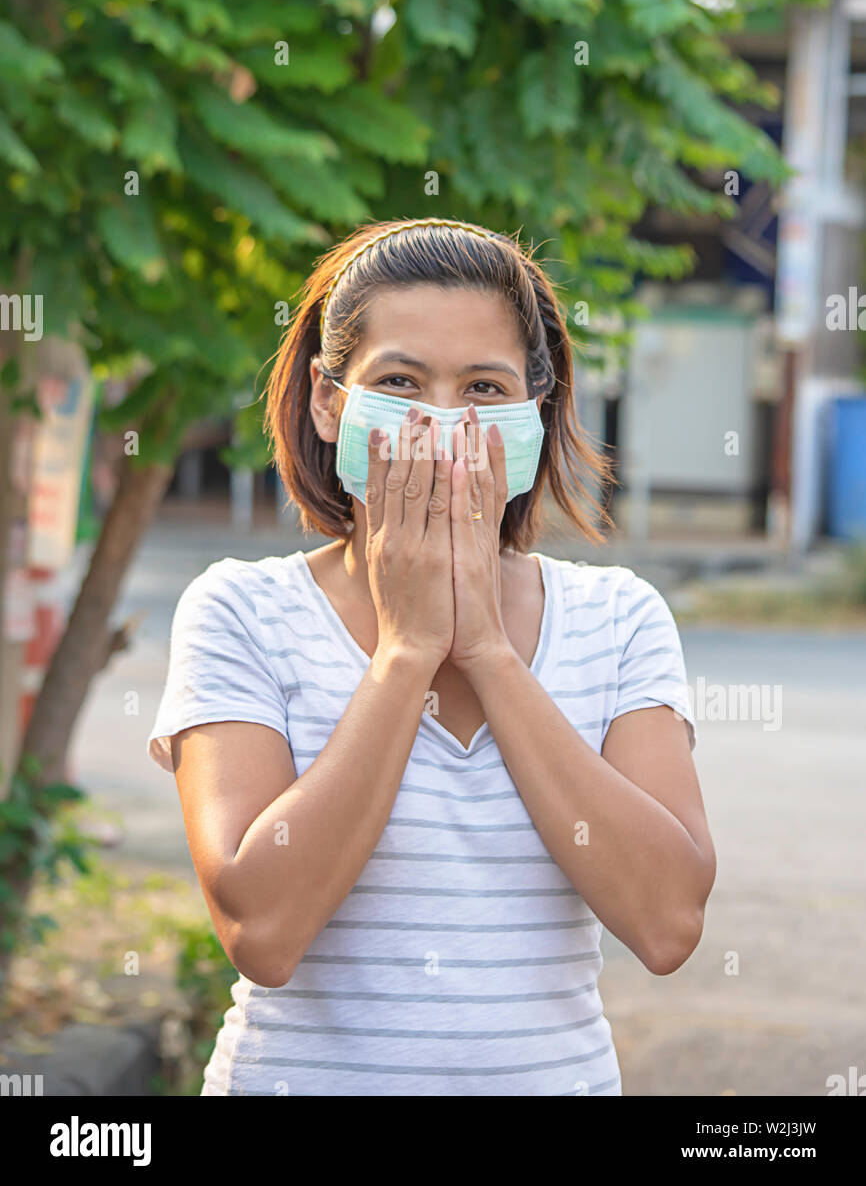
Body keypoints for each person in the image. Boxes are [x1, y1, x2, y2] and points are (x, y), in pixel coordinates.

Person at [147, 217, 715, 1096]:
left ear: (535, 410)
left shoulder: (618, 617)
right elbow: (264, 931)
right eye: (401, 381)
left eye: (484, 388)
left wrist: (486, 648)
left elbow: (668, 921)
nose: (441, 424)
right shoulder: (242, 612)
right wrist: (406, 654)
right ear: (330, 400)